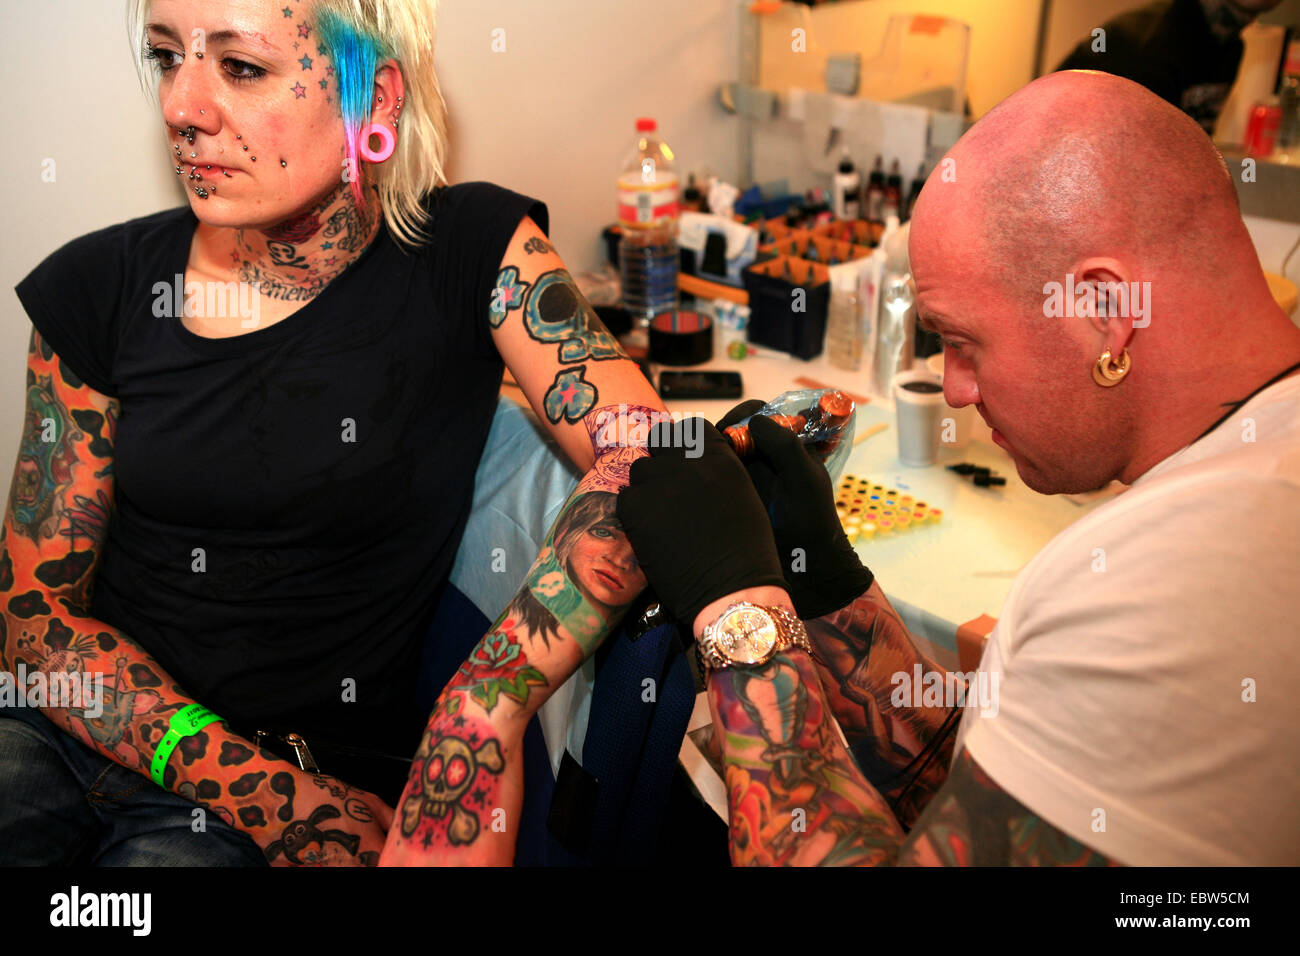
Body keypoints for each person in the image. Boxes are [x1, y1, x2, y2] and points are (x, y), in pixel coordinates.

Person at [1, 0, 665, 867]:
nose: (180, 106)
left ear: (374, 97)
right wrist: (266, 794)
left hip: (293, 784)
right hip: (72, 735)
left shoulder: (469, 250)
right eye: (169, 57)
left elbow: (655, 462)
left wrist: (482, 706)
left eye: (240, 67)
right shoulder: (98, 287)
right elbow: (34, 621)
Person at [617, 69, 1300, 866]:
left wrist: (743, 619)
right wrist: (832, 594)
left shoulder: (1176, 585)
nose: (955, 388)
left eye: (964, 342)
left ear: (1105, 313)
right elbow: (987, 797)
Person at [1054, 0, 1284, 135]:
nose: (1243, 22)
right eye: (1233, 10)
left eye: (1253, 15)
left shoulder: (1230, 48)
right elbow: (1139, 151)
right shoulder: (1150, 42)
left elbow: (1195, 138)